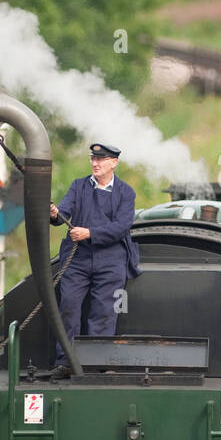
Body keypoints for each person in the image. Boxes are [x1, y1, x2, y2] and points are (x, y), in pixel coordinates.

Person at [49, 142, 140, 374]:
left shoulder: (126, 193)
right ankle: (65, 361)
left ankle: (99, 362)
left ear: (113, 163)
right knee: (68, 306)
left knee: (104, 311)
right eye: (93, 159)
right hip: (76, 259)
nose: (95, 163)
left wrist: (90, 233)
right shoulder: (78, 186)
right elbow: (63, 213)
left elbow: (121, 227)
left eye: (100, 160)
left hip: (111, 260)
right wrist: (55, 214)